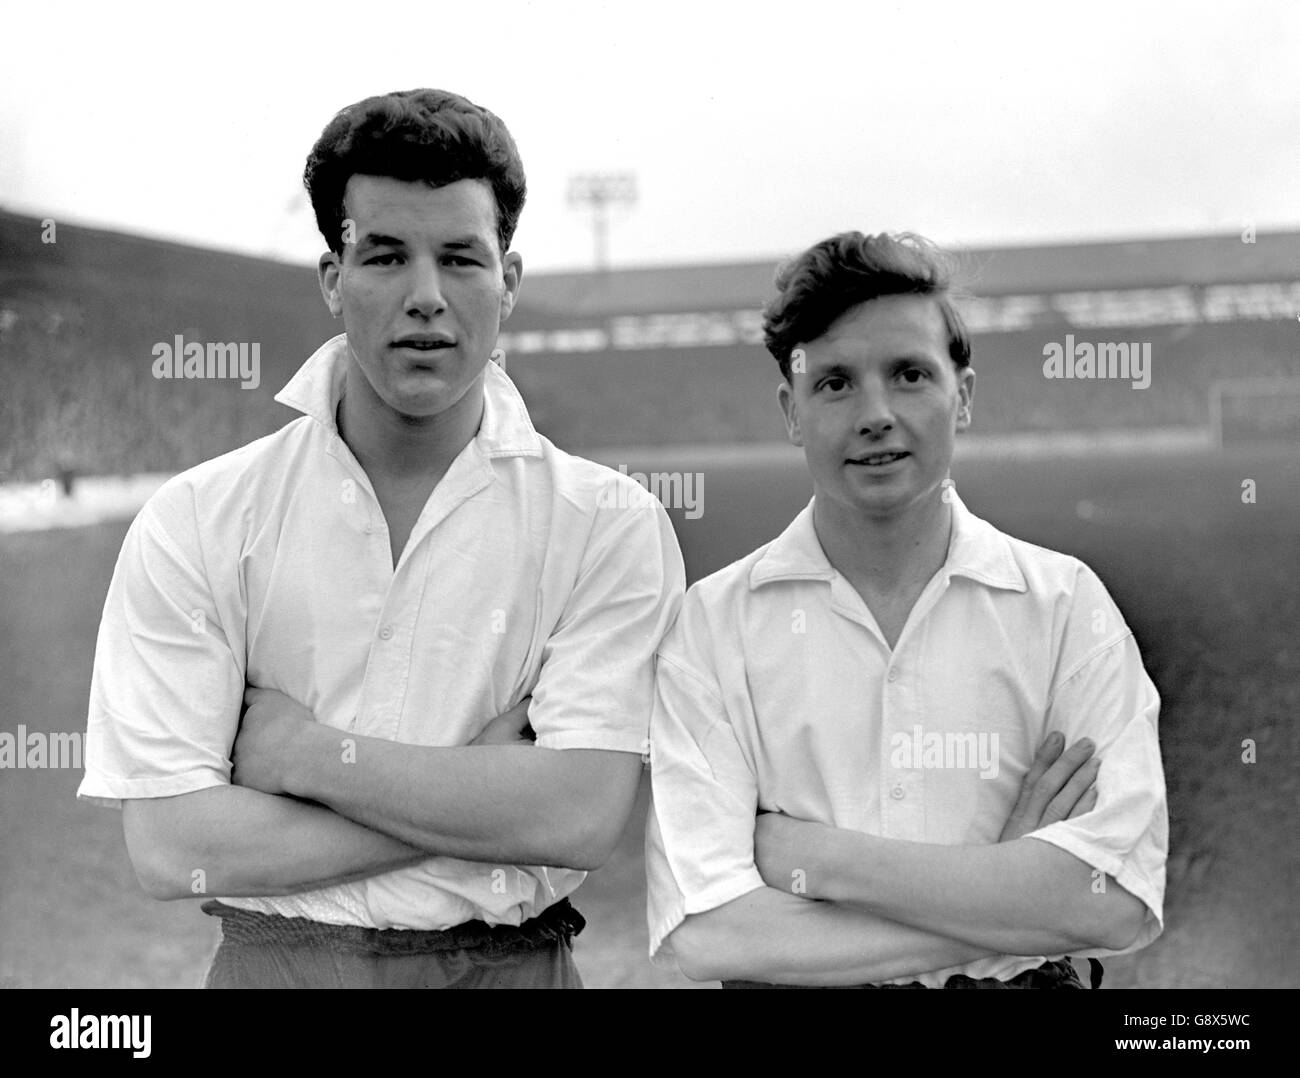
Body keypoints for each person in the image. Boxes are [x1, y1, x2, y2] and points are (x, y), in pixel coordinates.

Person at [78, 88, 684, 989]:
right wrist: (482, 794)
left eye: (461, 259)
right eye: (388, 256)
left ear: (509, 282)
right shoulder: (198, 518)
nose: (426, 298)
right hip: (275, 969)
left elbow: (580, 817)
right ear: (333, 278)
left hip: (509, 968)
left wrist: (304, 760)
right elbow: (173, 848)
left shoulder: (609, 525)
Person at [644, 231, 1168, 988]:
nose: (876, 413)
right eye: (835, 384)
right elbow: (709, 937)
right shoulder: (713, 625)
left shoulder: (1064, 606)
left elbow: (1114, 901)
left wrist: (822, 861)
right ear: (792, 411)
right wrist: (1003, 893)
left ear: (965, 397)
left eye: (910, 374)